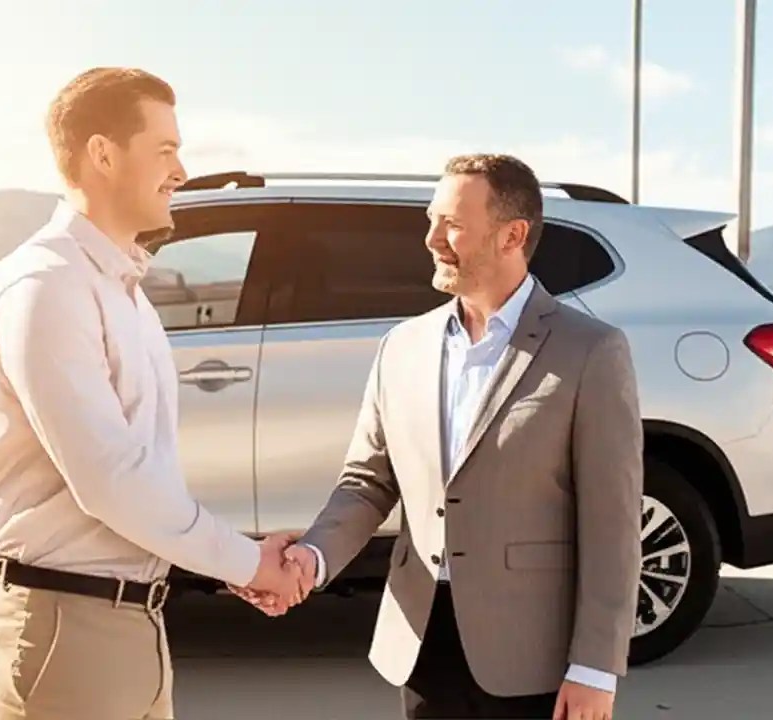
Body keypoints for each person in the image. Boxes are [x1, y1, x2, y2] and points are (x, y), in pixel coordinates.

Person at [245, 154, 643, 719]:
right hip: (421, 641)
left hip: (534, 656)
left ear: (513, 235)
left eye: (452, 224)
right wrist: (312, 558)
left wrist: (596, 667)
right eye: (432, 221)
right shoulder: (403, 346)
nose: (431, 240)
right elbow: (366, 482)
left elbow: (612, 524)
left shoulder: (591, 351)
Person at [0, 67, 303, 720]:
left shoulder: (123, 292)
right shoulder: (48, 286)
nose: (180, 171)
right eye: (165, 150)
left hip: (128, 626)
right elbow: (110, 478)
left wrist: (232, 561)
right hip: (65, 634)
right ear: (102, 154)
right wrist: (247, 562)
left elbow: (143, 474)